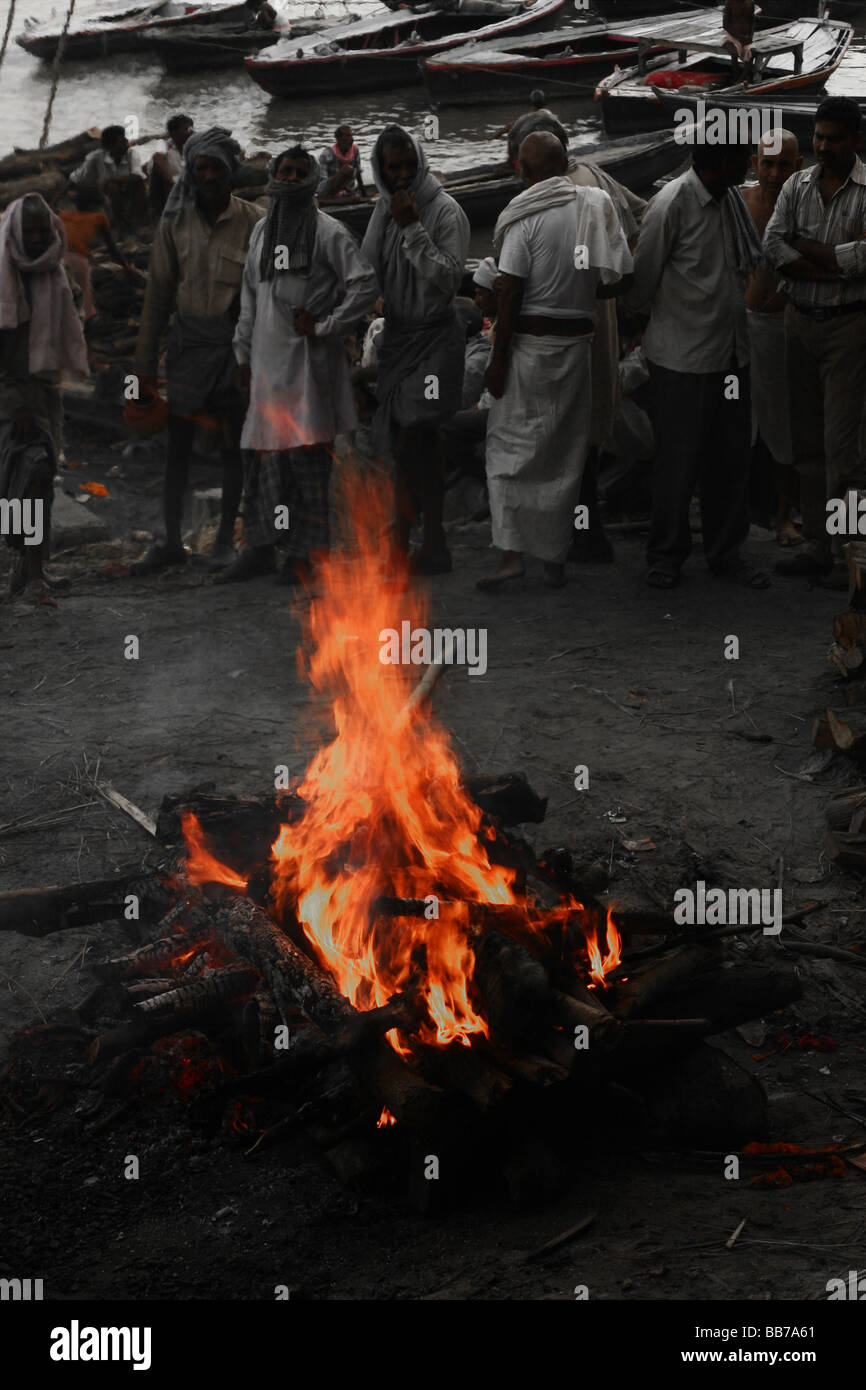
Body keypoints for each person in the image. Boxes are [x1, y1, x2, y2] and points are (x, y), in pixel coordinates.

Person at [478, 131, 633, 591]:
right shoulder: (593, 202)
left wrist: (497, 361)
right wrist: (580, 293)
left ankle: (511, 558)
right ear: (565, 163)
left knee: (507, 455)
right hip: (577, 350)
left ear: (522, 170)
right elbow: (621, 279)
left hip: (529, 350)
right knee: (564, 462)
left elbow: (508, 293)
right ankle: (553, 562)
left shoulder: (523, 216)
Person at [223, 145, 378, 584]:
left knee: (306, 461)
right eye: (284, 171)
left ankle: (306, 554)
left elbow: (365, 285)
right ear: (273, 175)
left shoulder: (329, 232)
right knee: (264, 459)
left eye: (299, 172)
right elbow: (250, 300)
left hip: (309, 367)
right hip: (267, 366)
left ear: (311, 180)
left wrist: (328, 324)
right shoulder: (259, 233)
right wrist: (242, 354)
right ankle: (260, 547)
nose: (290, 179)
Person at [627, 135, 768, 590]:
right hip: (684, 359)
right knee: (677, 461)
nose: (750, 164)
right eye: (745, 157)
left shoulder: (729, 201)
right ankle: (666, 555)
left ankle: (725, 552)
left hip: (730, 353)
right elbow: (642, 279)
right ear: (724, 161)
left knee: (730, 459)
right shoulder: (672, 203)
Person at [132, 126, 263, 575]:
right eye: (201, 167)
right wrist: (143, 369)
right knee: (178, 448)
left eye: (216, 168)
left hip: (233, 350)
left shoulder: (253, 222)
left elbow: (262, 296)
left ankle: (225, 541)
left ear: (231, 174)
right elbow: (158, 295)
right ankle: (169, 541)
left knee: (233, 447)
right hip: (187, 346)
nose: (208, 175)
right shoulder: (175, 222)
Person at [763, 97, 866, 590]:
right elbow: (772, 243)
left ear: (856, 142)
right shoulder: (796, 184)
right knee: (807, 443)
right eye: (819, 137)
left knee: (847, 448)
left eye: (834, 139)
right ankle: (817, 546)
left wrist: (803, 248)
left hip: (849, 327)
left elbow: (862, 261)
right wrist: (827, 264)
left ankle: (852, 553)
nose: (823, 147)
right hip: (798, 322)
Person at [361, 124, 470, 574]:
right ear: (382, 171)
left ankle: (423, 540)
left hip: (435, 341)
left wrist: (412, 229)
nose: (403, 174)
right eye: (394, 167)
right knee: (408, 445)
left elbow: (448, 277)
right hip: (400, 340)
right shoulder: (382, 211)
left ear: (421, 162)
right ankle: (415, 542)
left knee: (416, 438)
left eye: (409, 165)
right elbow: (366, 271)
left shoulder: (445, 212)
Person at [0, 194, 88, 597]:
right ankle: (33, 572)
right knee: (28, 478)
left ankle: (26, 568)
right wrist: (12, 402)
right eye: (30, 231)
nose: (37, 238)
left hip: (46, 393)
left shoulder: (52, 270)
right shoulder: (4, 272)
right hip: (13, 397)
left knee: (38, 478)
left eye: (43, 230)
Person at [741, 129, 803, 548]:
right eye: (768, 163)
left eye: (784, 165)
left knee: (783, 423)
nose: (774, 173)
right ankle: (741, 514)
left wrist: (788, 296)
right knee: (737, 422)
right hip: (738, 327)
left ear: (798, 167)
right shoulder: (739, 203)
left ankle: (784, 516)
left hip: (782, 330)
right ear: (754, 163)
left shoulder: (808, 206)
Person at [59, 184, 131, 323]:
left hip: (59, 258)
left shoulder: (63, 215)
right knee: (84, 296)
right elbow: (112, 249)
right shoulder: (98, 218)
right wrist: (126, 266)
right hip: (78, 262)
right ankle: (86, 323)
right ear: (95, 204)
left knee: (65, 294)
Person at [70, 125, 146, 230]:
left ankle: (135, 222)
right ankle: (117, 224)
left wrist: (112, 179)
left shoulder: (132, 154)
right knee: (112, 187)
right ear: (110, 146)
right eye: (122, 142)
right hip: (106, 197)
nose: (127, 144)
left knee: (139, 183)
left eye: (126, 140)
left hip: (128, 193)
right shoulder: (96, 157)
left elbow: (137, 175)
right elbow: (77, 177)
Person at [149, 114, 194, 218]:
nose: (191, 131)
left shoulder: (193, 146)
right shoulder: (162, 145)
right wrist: (172, 180)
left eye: (192, 128)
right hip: (166, 186)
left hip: (184, 184)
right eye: (187, 129)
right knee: (160, 171)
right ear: (174, 133)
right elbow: (158, 159)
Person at [318, 125, 365, 202]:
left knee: (349, 170)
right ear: (339, 139)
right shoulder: (327, 154)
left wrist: (364, 194)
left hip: (348, 191)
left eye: (351, 136)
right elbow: (322, 182)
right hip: (329, 192)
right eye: (347, 136)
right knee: (347, 169)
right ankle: (327, 201)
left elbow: (358, 173)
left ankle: (346, 197)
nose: (352, 139)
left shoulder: (355, 150)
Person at [722, 0, 755, 75]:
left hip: (746, 37)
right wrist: (740, 37)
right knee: (734, 53)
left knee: (753, 51)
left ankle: (742, 79)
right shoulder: (730, 2)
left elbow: (752, 21)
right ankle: (735, 76)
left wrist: (750, 37)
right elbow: (725, 24)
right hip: (732, 37)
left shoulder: (750, 2)